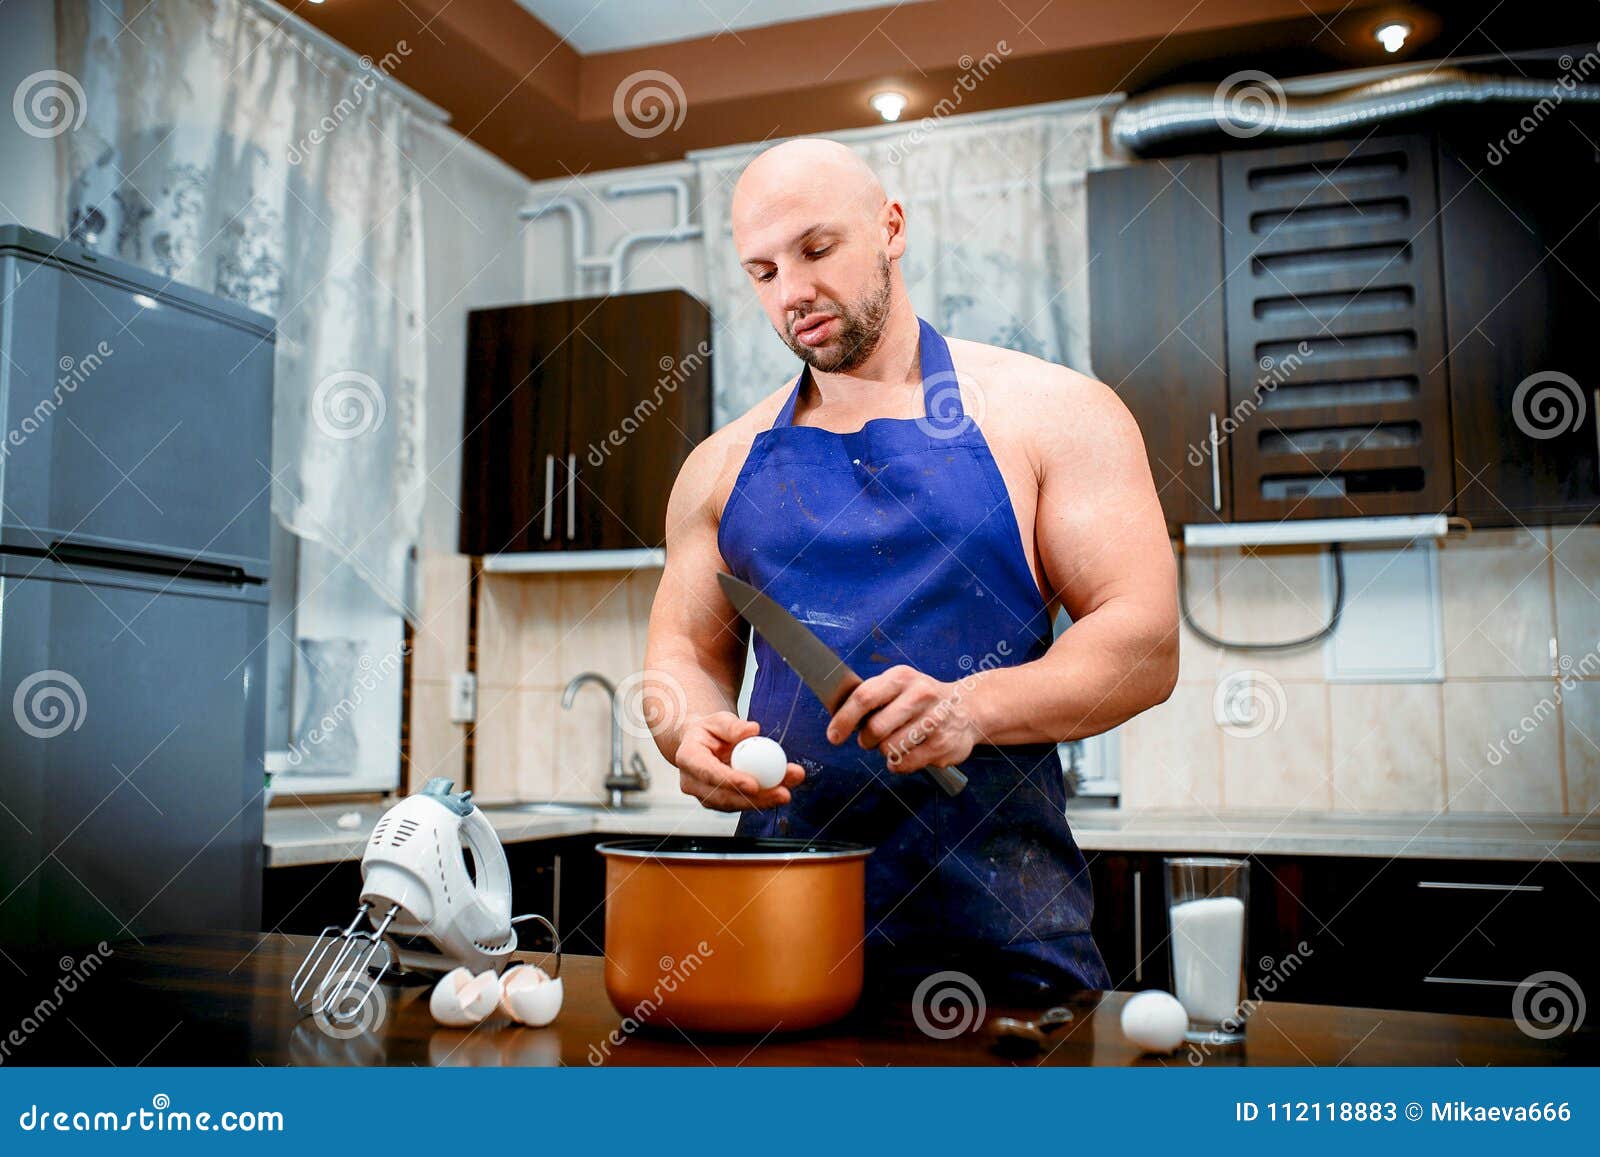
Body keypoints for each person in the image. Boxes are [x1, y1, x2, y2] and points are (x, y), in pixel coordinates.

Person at [643, 138, 1178, 1000]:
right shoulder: (718, 465)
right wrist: (690, 731)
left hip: (1005, 937)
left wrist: (972, 706)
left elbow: (1145, 642)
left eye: (817, 251)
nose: (794, 294)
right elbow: (683, 654)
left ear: (890, 227)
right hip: (777, 931)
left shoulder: (1055, 412)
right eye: (763, 272)